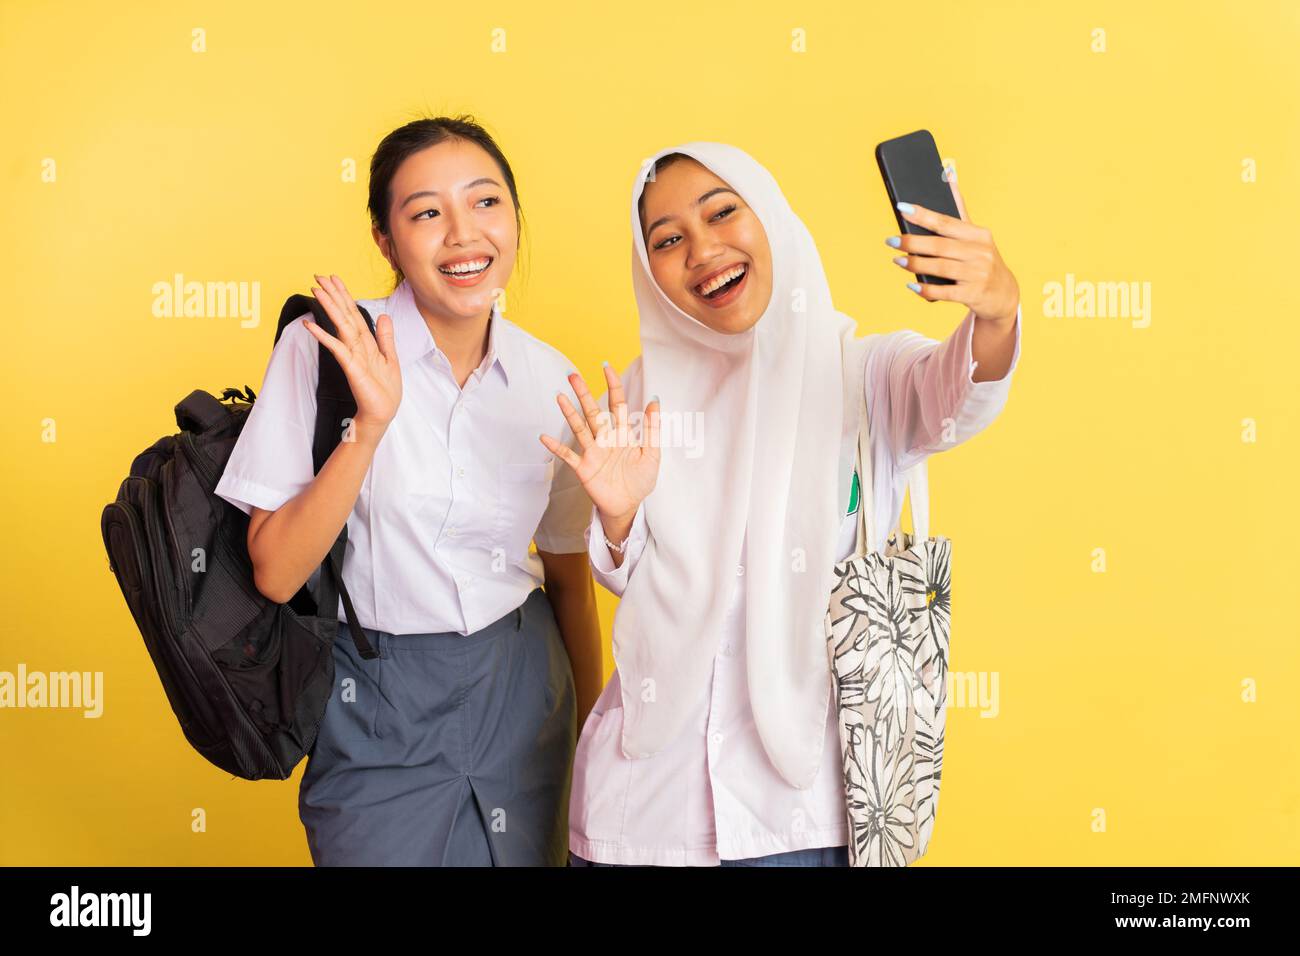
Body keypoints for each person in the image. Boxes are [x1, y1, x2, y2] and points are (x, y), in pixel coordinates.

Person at [542, 142, 1022, 866]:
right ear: (650, 271)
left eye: (722, 213)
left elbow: (959, 395)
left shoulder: (866, 374)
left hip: (804, 818)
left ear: (770, 217)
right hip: (645, 817)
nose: (702, 250)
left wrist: (996, 307)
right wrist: (615, 518)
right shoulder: (638, 398)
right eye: (668, 240)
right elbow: (629, 578)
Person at [214, 115, 602, 866]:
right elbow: (276, 568)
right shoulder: (325, 346)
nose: (463, 235)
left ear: (514, 218)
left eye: (485, 203)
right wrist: (370, 422)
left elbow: (570, 582)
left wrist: (591, 743)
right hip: (375, 698)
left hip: (524, 691)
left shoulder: (551, 379)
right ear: (386, 240)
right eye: (426, 213)